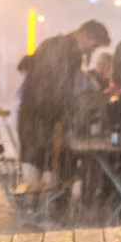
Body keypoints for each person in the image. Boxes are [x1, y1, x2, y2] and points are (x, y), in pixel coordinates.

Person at [16, 19, 111, 187]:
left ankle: (32, 210)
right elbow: (61, 89)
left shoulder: (50, 44)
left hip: (30, 114)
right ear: (88, 38)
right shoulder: (70, 51)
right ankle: (47, 208)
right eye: (95, 45)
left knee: (35, 166)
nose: (92, 49)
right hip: (49, 117)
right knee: (52, 171)